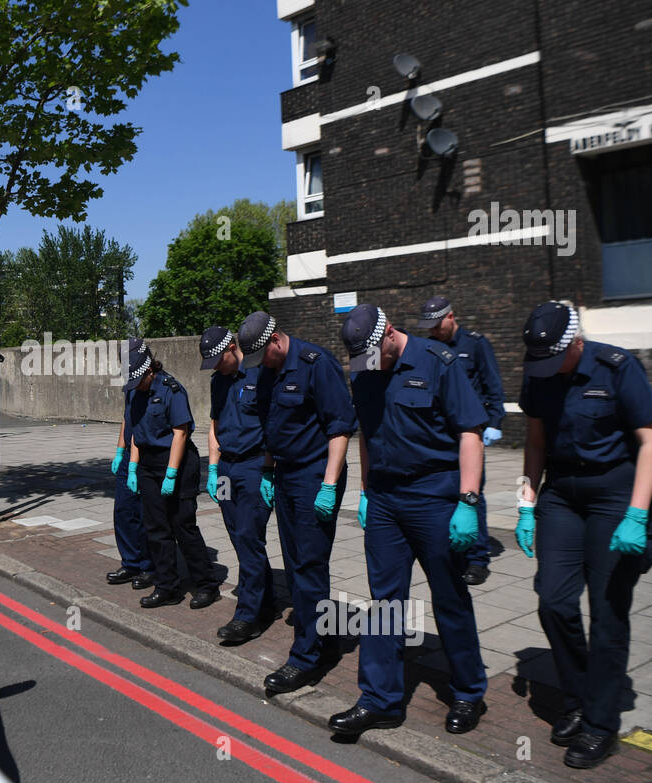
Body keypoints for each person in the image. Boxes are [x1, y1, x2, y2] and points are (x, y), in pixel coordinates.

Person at [515, 301, 652, 769]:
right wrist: (526, 502)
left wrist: (637, 513)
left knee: (607, 609)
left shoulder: (616, 367)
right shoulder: (540, 372)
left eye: (555, 358)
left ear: (576, 343)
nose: (547, 369)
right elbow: (536, 440)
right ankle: (577, 696)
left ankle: (601, 723)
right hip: (561, 492)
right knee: (554, 601)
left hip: (613, 492)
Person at [329, 303, 489, 736]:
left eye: (373, 354)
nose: (368, 365)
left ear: (391, 334)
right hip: (384, 500)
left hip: (434, 497)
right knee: (384, 601)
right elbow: (366, 432)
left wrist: (469, 501)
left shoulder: (440, 363)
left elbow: (470, 433)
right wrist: (364, 493)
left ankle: (469, 692)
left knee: (449, 597)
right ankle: (380, 700)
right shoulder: (363, 370)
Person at [237, 312, 357, 690]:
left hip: (314, 476)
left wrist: (329, 484)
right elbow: (273, 427)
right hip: (285, 475)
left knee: (307, 566)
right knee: (296, 566)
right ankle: (326, 640)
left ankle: (306, 658)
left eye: (264, 357)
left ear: (275, 340)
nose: (261, 367)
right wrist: (270, 471)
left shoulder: (315, 364)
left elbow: (340, 427)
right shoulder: (267, 370)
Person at [124, 341, 224, 609]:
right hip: (147, 463)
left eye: (139, 380)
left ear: (149, 372)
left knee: (184, 527)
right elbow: (135, 434)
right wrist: (133, 467)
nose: (137, 386)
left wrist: (170, 473)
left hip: (177, 463)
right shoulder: (135, 391)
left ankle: (207, 586)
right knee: (156, 529)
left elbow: (180, 434)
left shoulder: (172, 390)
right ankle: (167, 586)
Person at [419, 296, 505, 584]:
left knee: (472, 495)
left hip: (471, 431)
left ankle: (478, 558)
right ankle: (451, 549)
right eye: (429, 327)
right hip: (441, 433)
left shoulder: (476, 344)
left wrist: (494, 423)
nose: (433, 331)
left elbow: (493, 385)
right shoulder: (430, 347)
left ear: (451, 317)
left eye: (437, 325)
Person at [200, 325, 277, 642]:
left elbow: (274, 425)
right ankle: (267, 601)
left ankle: (248, 616)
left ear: (233, 347)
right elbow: (214, 426)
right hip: (227, 470)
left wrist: (270, 470)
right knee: (237, 535)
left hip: (253, 466)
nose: (217, 365)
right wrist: (213, 470)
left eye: (219, 358)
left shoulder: (259, 375)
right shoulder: (218, 380)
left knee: (249, 536)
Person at [106, 339, 155, 590]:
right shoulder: (130, 382)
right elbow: (127, 418)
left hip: (147, 455)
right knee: (123, 511)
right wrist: (119, 449)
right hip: (128, 456)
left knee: (145, 514)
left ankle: (148, 567)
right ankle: (130, 562)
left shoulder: (153, 382)